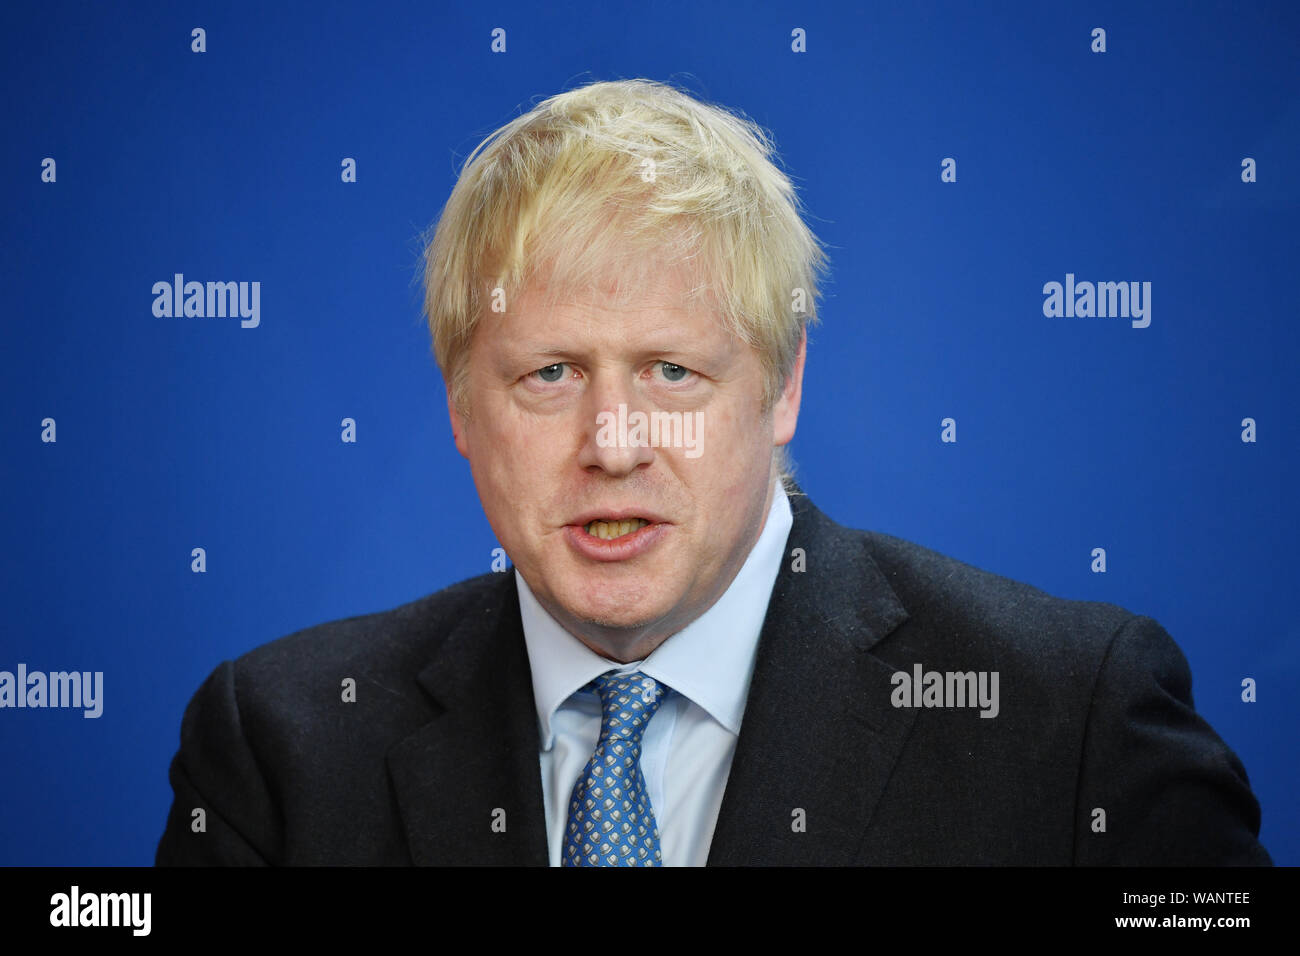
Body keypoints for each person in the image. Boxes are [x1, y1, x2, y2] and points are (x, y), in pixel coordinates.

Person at [155, 78, 1270, 866]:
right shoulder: (281, 746)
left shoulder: (1067, 720)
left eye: (673, 371)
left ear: (782, 390)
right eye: (547, 373)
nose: (614, 441)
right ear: (458, 406)